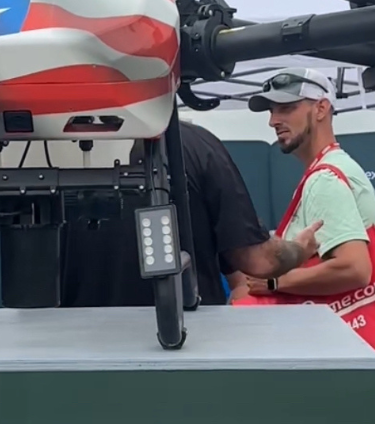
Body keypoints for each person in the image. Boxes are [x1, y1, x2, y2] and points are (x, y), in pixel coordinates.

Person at [58, 120, 320, 308]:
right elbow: (260, 261)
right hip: (182, 345)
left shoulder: (41, 149)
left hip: (76, 350)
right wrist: (299, 249)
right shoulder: (192, 144)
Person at [232, 69, 375, 301]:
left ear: (321, 108)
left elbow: (355, 269)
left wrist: (273, 282)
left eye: (286, 108)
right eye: (271, 111)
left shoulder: (325, 179)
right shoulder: (334, 168)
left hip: (330, 332)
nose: (273, 121)